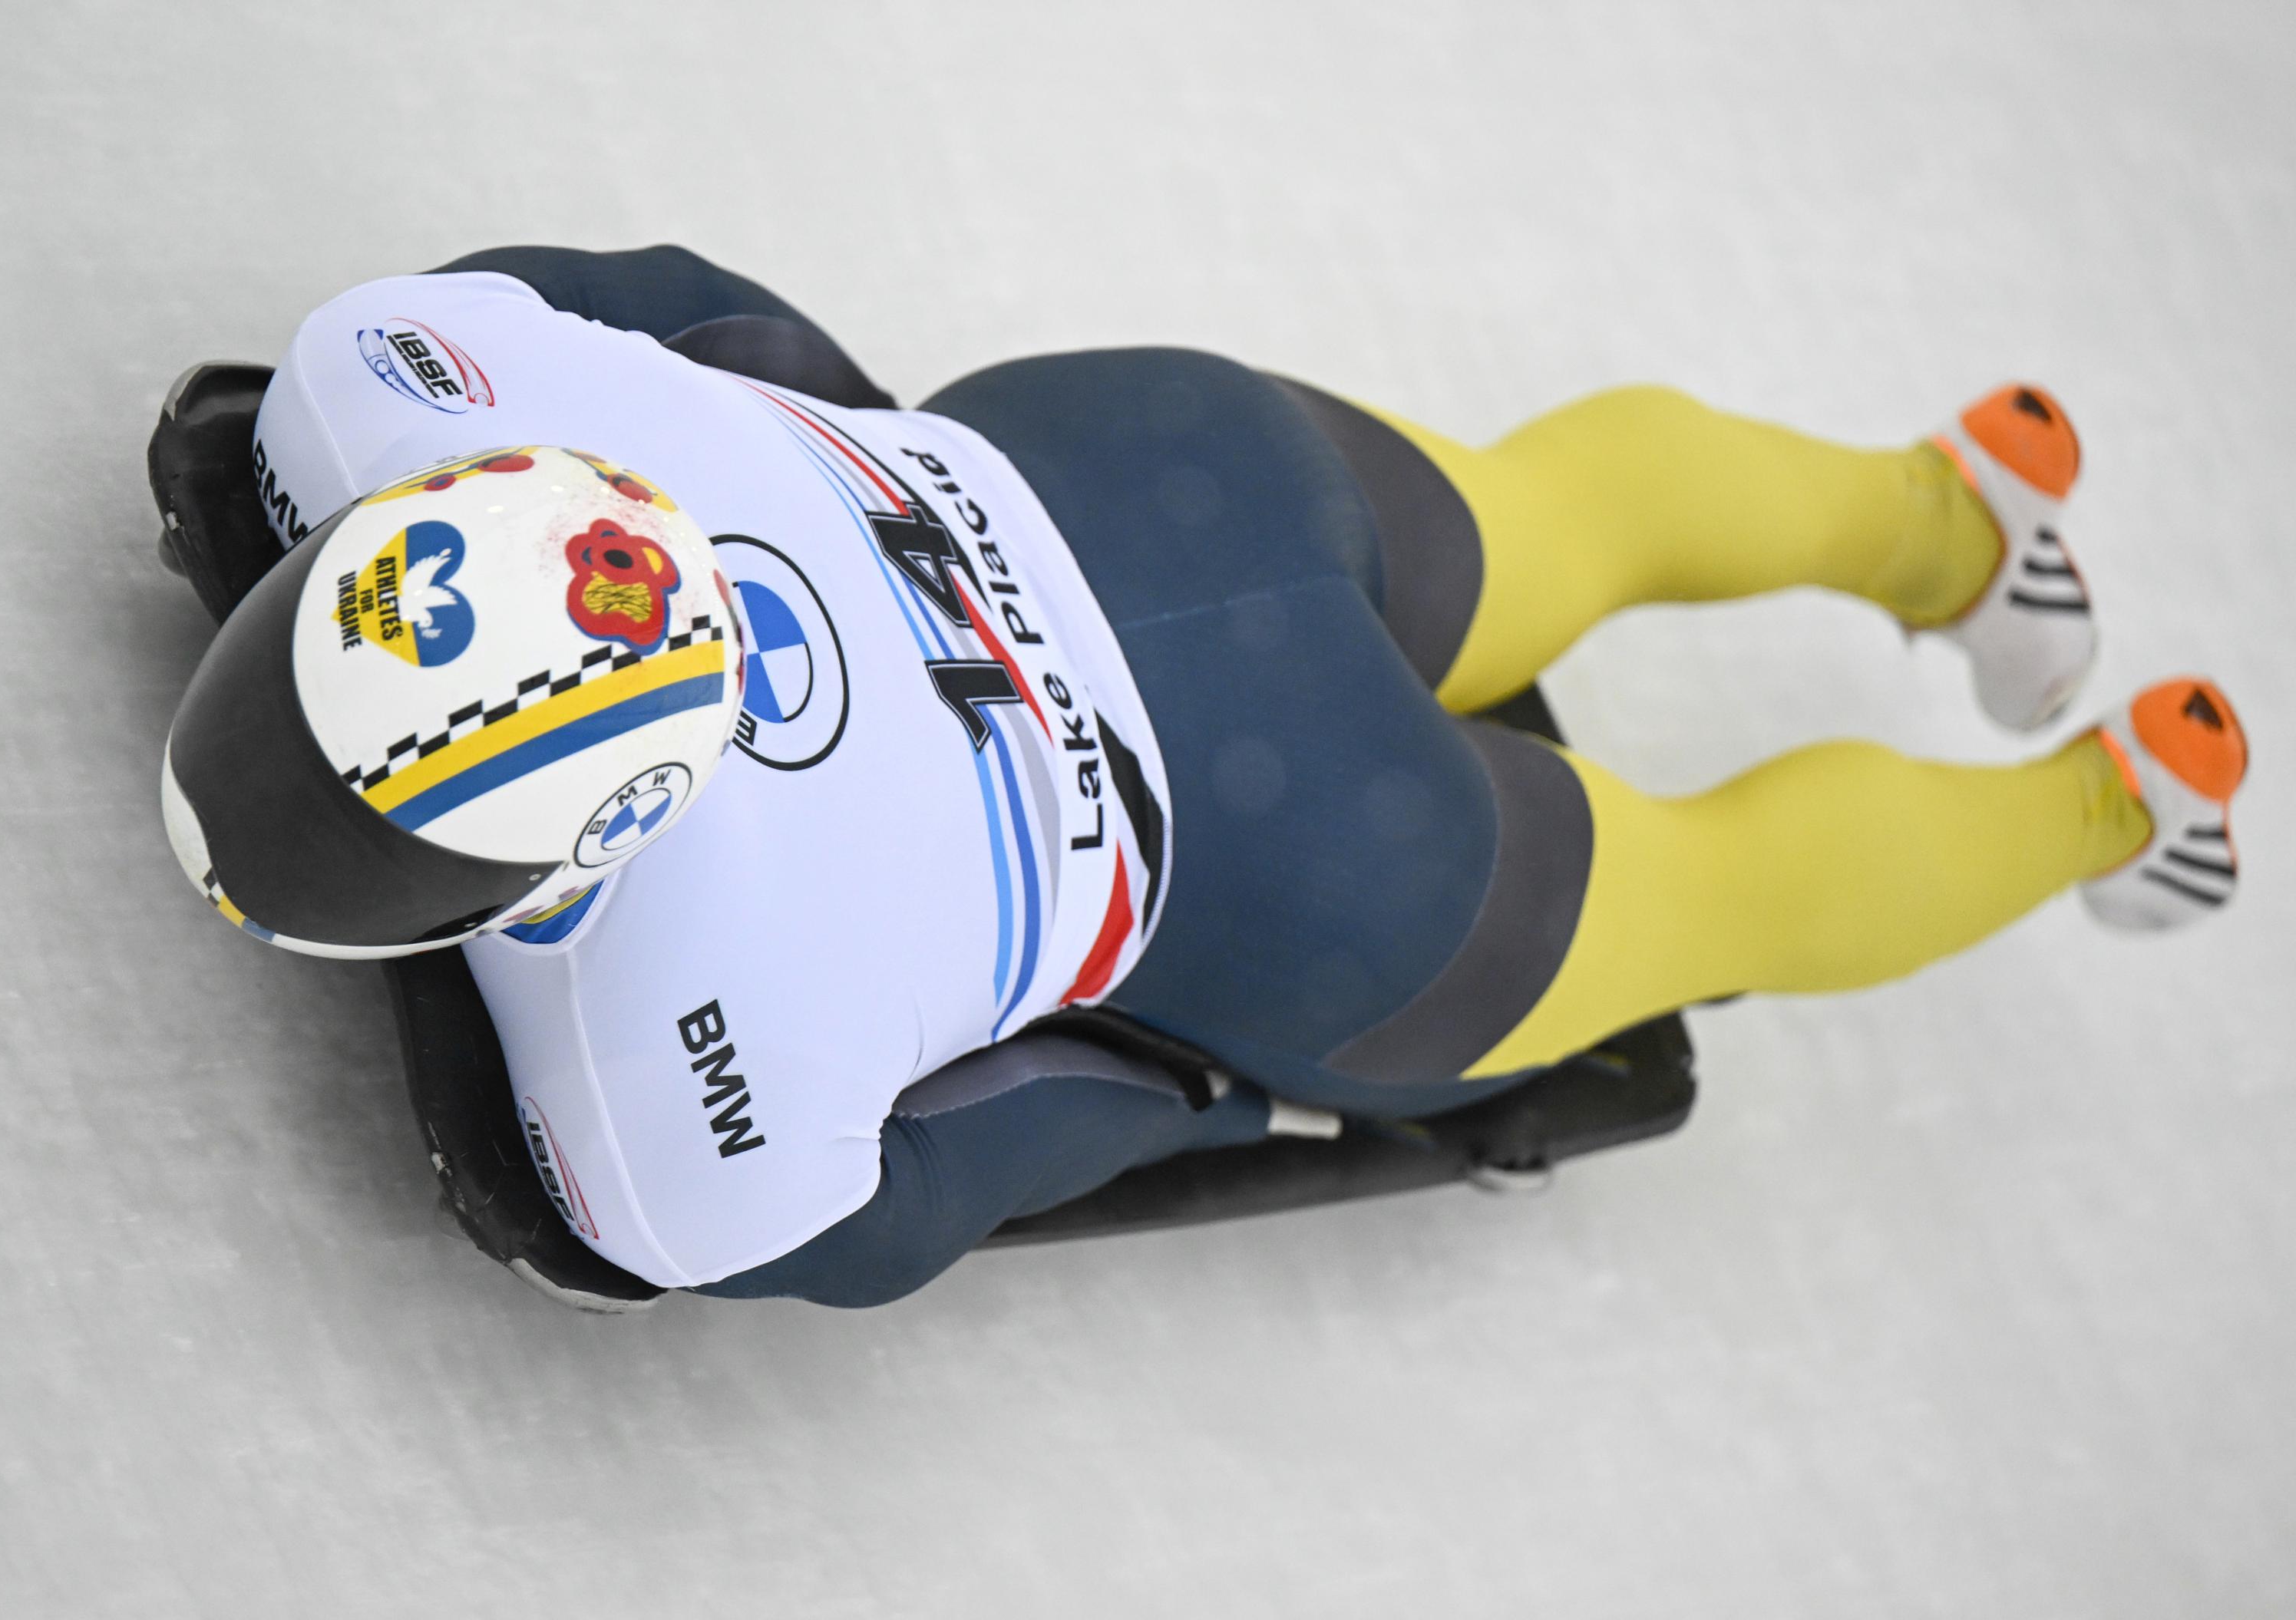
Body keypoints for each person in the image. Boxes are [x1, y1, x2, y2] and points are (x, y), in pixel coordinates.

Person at [160, 245, 2251, 1308]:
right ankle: (1952, 503)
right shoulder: (407, 379)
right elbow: (723, 322)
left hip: (1312, 864)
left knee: (1704, 901)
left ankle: (2128, 803)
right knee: (1546, 514)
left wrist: (1195, 1090)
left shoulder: (668, 1094)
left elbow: (976, 1164)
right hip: (1147, 471)